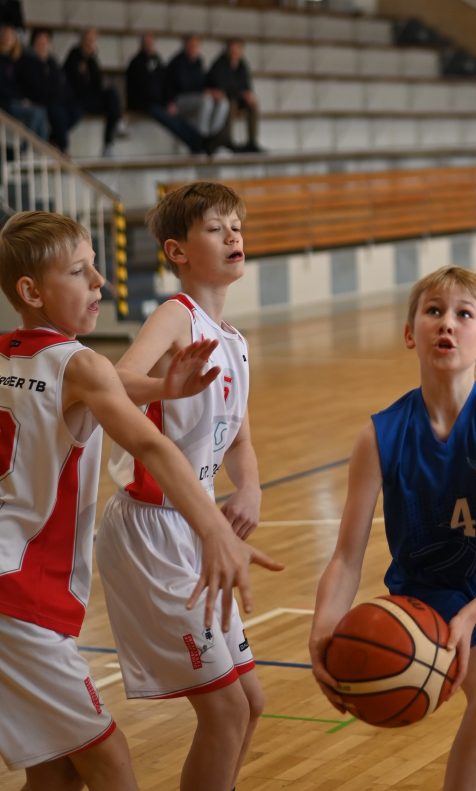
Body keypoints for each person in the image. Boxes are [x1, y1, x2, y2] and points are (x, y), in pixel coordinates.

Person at [0, 210, 279, 789]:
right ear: (31, 291)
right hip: (19, 592)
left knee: (56, 774)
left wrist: (162, 389)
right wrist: (216, 531)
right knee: (110, 763)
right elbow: (153, 446)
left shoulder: (10, 355)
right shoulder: (81, 363)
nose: (101, 282)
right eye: (80, 272)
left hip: (23, 591)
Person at [309, 266, 476, 791]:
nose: (447, 324)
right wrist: (324, 625)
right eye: (433, 312)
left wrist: (474, 615)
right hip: (432, 593)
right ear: (411, 334)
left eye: (463, 314)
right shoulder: (379, 435)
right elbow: (347, 557)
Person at [96, 182, 270, 791]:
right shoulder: (177, 316)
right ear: (177, 251)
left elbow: (242, 441)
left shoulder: (237, 342)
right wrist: (163, 389)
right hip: (152, 528)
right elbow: (112, 382)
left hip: (198, 525)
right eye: (217, 228)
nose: (233, 236)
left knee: (251, 702)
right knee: (224, 709)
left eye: (236, 226)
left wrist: (248, 489)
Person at [125, 33, 206, 155]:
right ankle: (195, 143)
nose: (149, 45)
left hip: (159, 101)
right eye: (146, 42)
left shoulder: (157, 60)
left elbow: (165, 83)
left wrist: (169, 101)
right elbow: (138, 89)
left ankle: (200, 140)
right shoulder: (136, 63)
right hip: (144, 104)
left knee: (177, 117)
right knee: (169, 120)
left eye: (151, 42)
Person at [63, 27, 124, 158]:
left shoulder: (93, 59)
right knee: (69, 116)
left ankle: (109, 144)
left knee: (112, 94)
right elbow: (74, 81)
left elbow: (98, 82)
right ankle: (57, 141)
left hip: (92, 98)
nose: (90, 43)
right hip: (77, 99)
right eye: (88, 40)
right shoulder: (74, 55)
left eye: (93, 40)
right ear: (82, 40)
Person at [16, 27, 80, 153]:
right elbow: (33, 86)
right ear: (33, 43)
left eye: (45, 42)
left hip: (55, 99)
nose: (42, 45)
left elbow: (62, 83)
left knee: (76, 109)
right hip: (39, 99)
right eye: (39, 42)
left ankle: (53, 139)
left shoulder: (52, 62)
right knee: (57, 111)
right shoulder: (27, 61)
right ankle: (63, 148)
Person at [165, 35, 231, 154]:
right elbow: (182, 85)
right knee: (206, 100)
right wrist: (205, 92)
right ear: (185, 46)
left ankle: (213, 137)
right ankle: (200, 138)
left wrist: (215, 91)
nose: (193, 48)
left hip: (197, 96)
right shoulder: (177, 62)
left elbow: (203, 83)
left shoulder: (199, 62)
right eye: (191, 45)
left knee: (223, 102)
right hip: (179, 100)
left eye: (196, 46)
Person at [207, 37, 264, 154]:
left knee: (253, 104)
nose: (235, 52)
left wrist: (248, 95)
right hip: (220, 102)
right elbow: (222, 88)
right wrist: (241, 93)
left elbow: (247, 86)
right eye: (232, 49)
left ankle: (252, 142)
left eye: (238, 50)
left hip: (237, 99)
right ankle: (228, 140)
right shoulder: (219, 64)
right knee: (230, 103)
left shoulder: (242, 65)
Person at [0, 23, 48, 140]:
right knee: (36, 113)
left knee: (41, 111)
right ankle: (25, 147)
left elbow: (22, 84)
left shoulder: (16, 59)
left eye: (11, 36)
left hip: (15, 100)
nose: (8, 39)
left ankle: (41, 149)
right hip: (5, 102)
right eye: (5, 36)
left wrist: (24, 99)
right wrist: (20, 100)